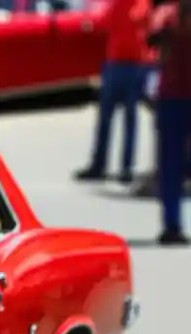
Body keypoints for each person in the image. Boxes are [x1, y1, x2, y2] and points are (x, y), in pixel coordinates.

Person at [76, 0, 155, 184]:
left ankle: (105, 165)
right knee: (125, 118)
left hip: (124, 64)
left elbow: (103, 23)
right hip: (130, 64)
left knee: (112, 117)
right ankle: (121, 167)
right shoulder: (139, 4)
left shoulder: (126, 4)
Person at [150, 0, 191, 245]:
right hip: (173, 97)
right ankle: (172, 224)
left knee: (174, 164)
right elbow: (152, 39)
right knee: (170, 164)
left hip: (175, 97)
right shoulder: (167, 15)